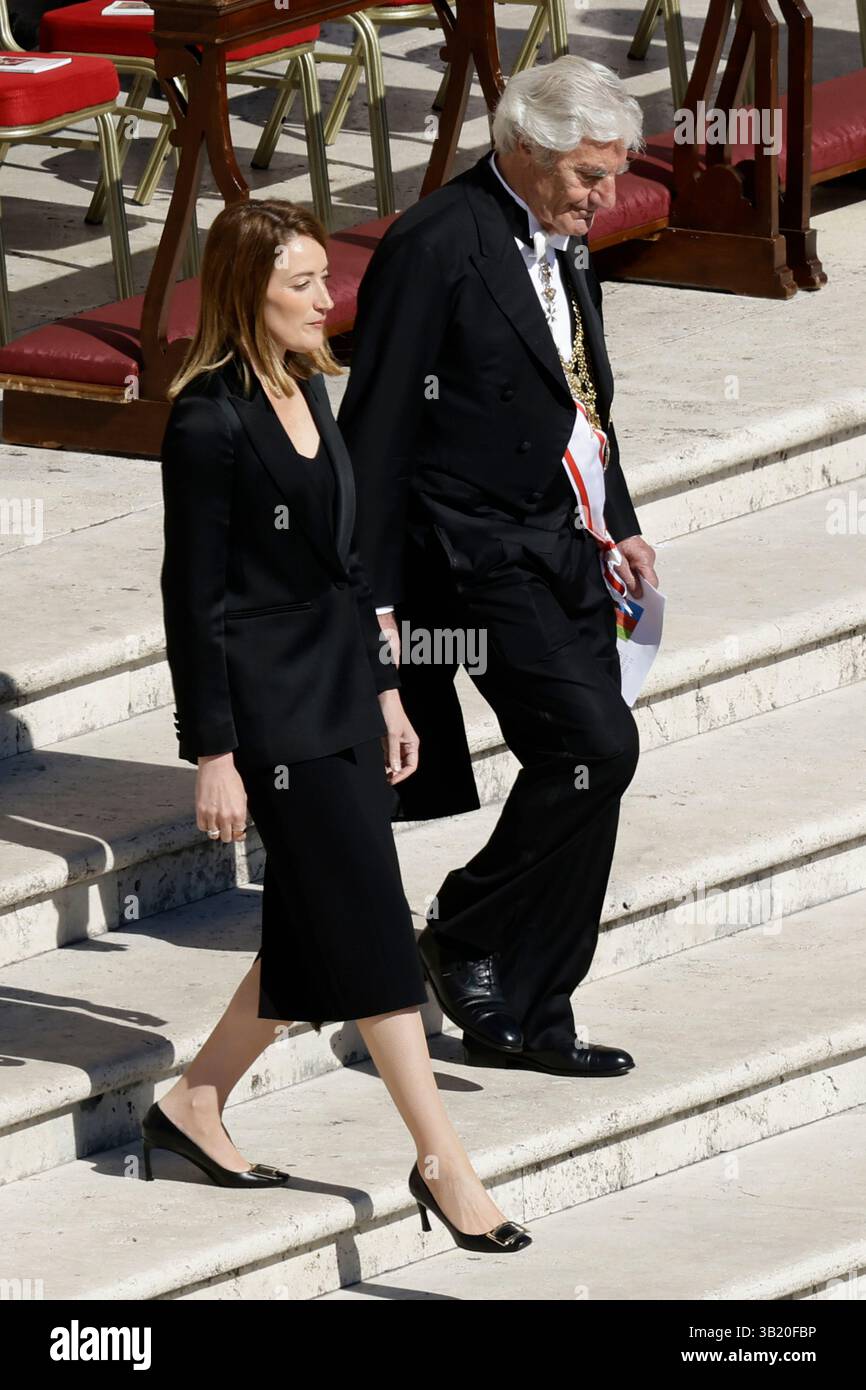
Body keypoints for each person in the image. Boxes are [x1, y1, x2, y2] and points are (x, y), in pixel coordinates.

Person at [142, 197, 531, 1255]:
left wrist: (390, 689)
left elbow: (356, 569)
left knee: (319, 921)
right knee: (365, 918)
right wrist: (212, 750)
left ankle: (191, 1103)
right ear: (247, 293)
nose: (328, 298)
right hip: (272, 711)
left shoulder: (318, 390)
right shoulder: (207, 420)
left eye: (324, 277)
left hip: (346, 697)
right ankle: (443, 1162)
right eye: (304, 282)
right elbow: (194, 600)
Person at [338, 55, 658, 1077]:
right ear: (521, 147)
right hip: (470, 557)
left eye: (613, 174)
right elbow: (375, 433)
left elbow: (582, 395)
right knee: (594, 747)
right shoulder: (434, 245)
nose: (604, 198)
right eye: (586, 176)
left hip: (567, 539)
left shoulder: (563, 237)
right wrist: (372, 606)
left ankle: (537, 1004)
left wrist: (621, 514)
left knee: (587, 770)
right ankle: (467, 930)